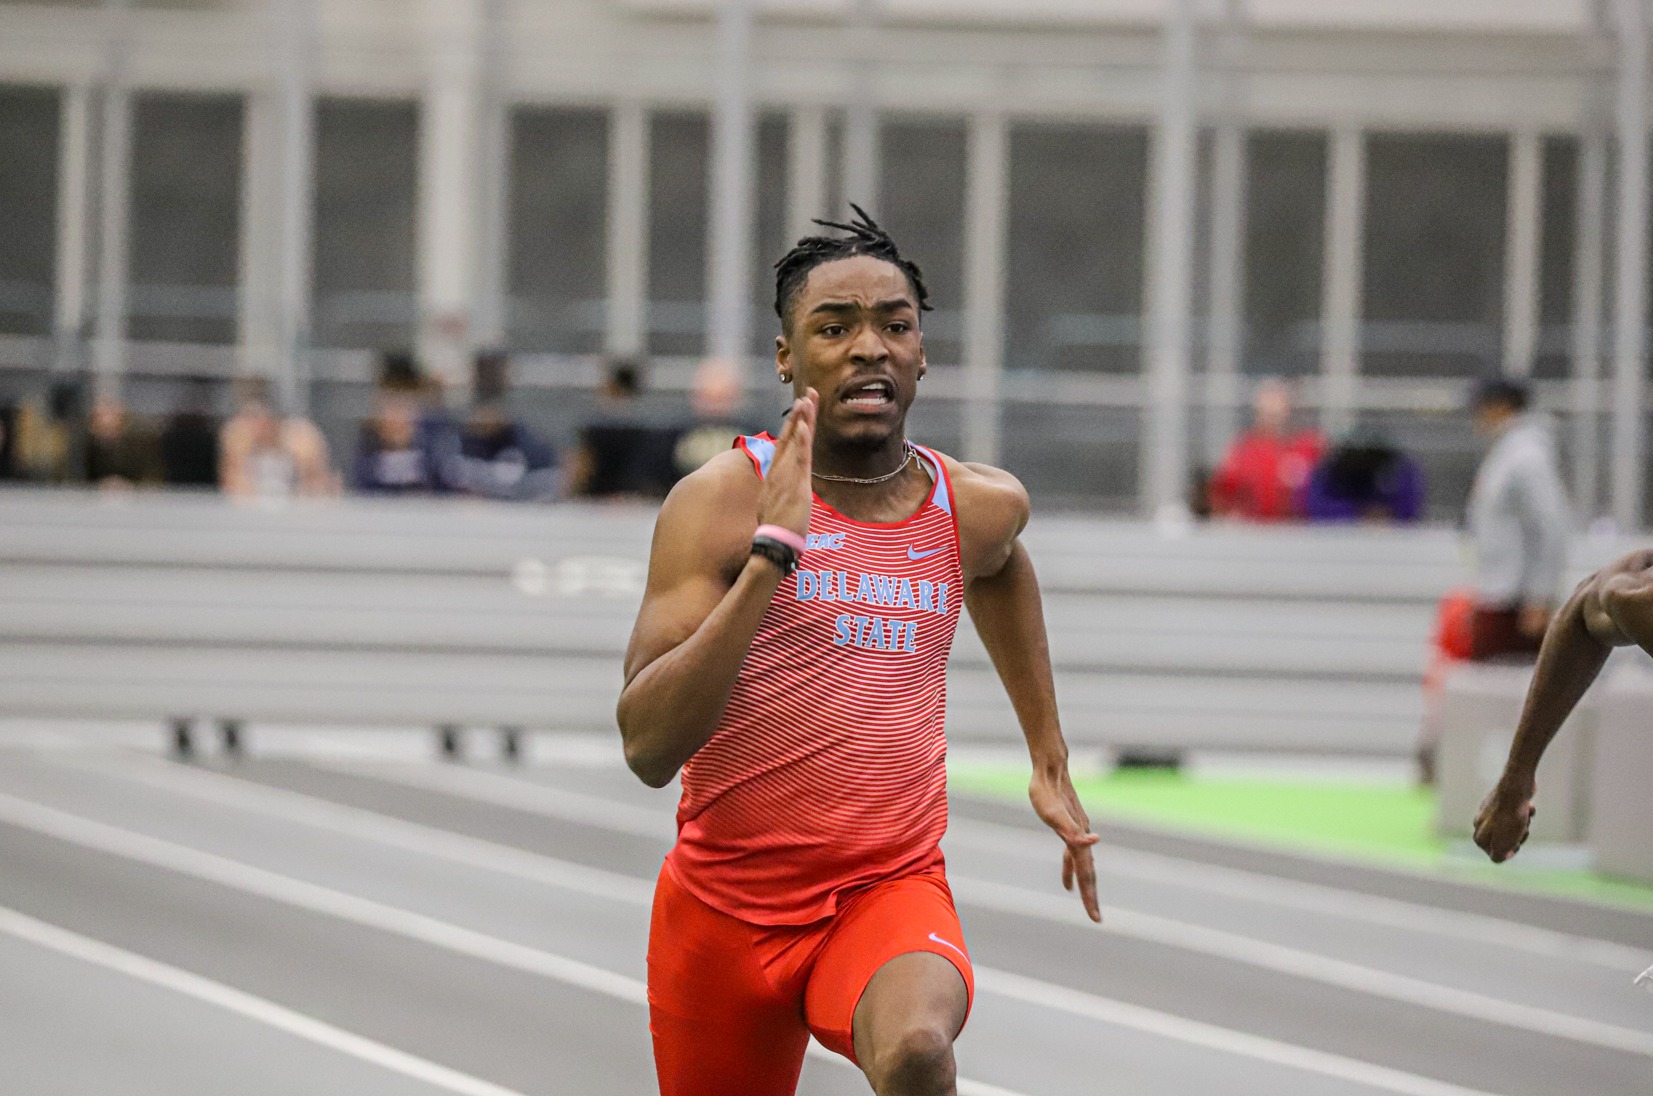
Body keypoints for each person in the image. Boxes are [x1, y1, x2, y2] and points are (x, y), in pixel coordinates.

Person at [617, 207, 1100, 1096]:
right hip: (721, 912)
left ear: (922, 352)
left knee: (917, 1048)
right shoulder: (718, 501)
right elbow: (647, 749)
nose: (868, 346)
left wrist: (1047, 751)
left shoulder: (976, 505)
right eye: (833, 328)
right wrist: (772, 556)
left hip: (884, 890)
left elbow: (997, 568)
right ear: (787, 358)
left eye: (894, 324)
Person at [1473, 549, 1653, 863]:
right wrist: (1517, 775)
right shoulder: (1632, 599)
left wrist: (1517, 776)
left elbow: (1597, 599)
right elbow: (1592, 604)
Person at [1462, 376, 1570, 661]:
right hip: (1499, 592)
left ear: (1500, 407)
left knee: (1507, 693)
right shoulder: (1507, 452)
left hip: (1516, 601)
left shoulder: (1527, 456)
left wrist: (1539, 597)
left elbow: (1551, 527)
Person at [443, 349, 559, 501]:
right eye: (483, 377)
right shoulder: (450, 442)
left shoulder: (532, 448)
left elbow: (544, 501)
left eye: (495, 378)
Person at [1207, 377, 1324, 521]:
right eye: (1267, 404)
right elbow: (1223, 495)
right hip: (1255, 532)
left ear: (1289, 407)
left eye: (1277, 401)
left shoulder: (1309, 446)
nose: (1272, 410)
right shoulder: (1243, 448)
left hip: (1299, 533)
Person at [570, 358, 678, 499]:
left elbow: (584, 470)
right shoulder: (652, 426)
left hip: (600, 503)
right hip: (637, 500)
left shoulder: (598, 427)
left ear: (610, 386)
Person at [219, 376, 335, 498]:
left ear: (272, 418)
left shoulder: (301, 437)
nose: (256, 427)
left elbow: (317, 484)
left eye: (258, 418)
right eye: (249, 418)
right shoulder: (238, 435)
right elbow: (231, 485)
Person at [1300, 427, 1425, 524]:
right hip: (1338, 535)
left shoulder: (1395, 466)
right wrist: (1357, 512)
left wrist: (1386, 514)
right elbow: (1315, 504)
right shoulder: (1331, 469)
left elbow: (1409, 509)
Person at [158, 375, 222, 489]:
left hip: (207, 492)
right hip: (175, 491)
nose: (194, 405)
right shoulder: (172, 436)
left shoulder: (211, 439)